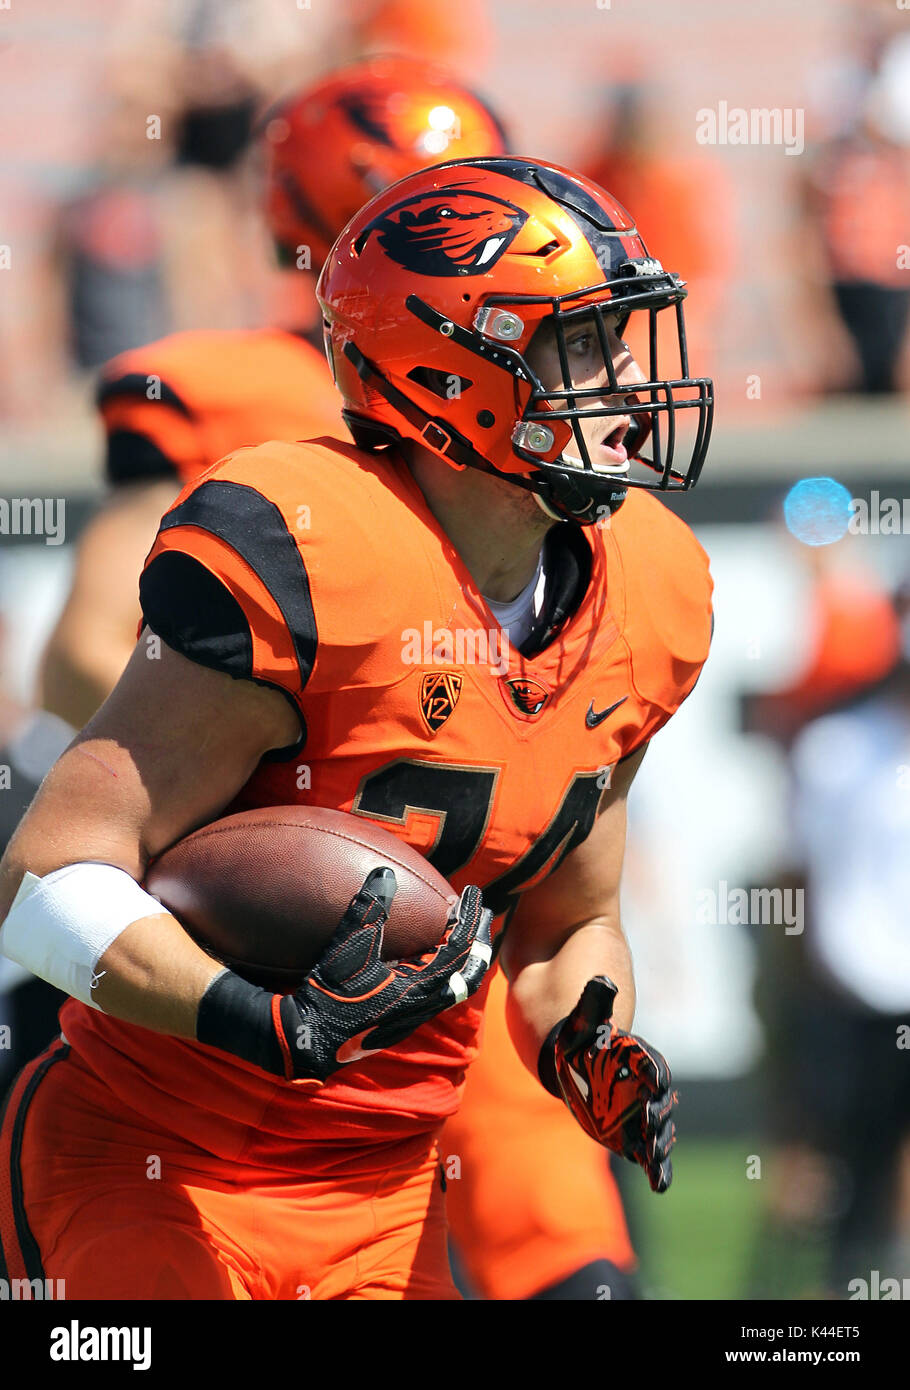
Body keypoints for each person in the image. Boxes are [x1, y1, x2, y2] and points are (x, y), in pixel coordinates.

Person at [0, 155, 713, 1300]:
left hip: (383, 1192)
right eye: (585, 343)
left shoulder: (647, 593)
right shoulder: (312, 546)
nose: (629, 379)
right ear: (458, 369)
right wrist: (255, 1015)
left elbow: (569, 929)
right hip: (160, 1160)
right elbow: (43, 876)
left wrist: (589, 1041)